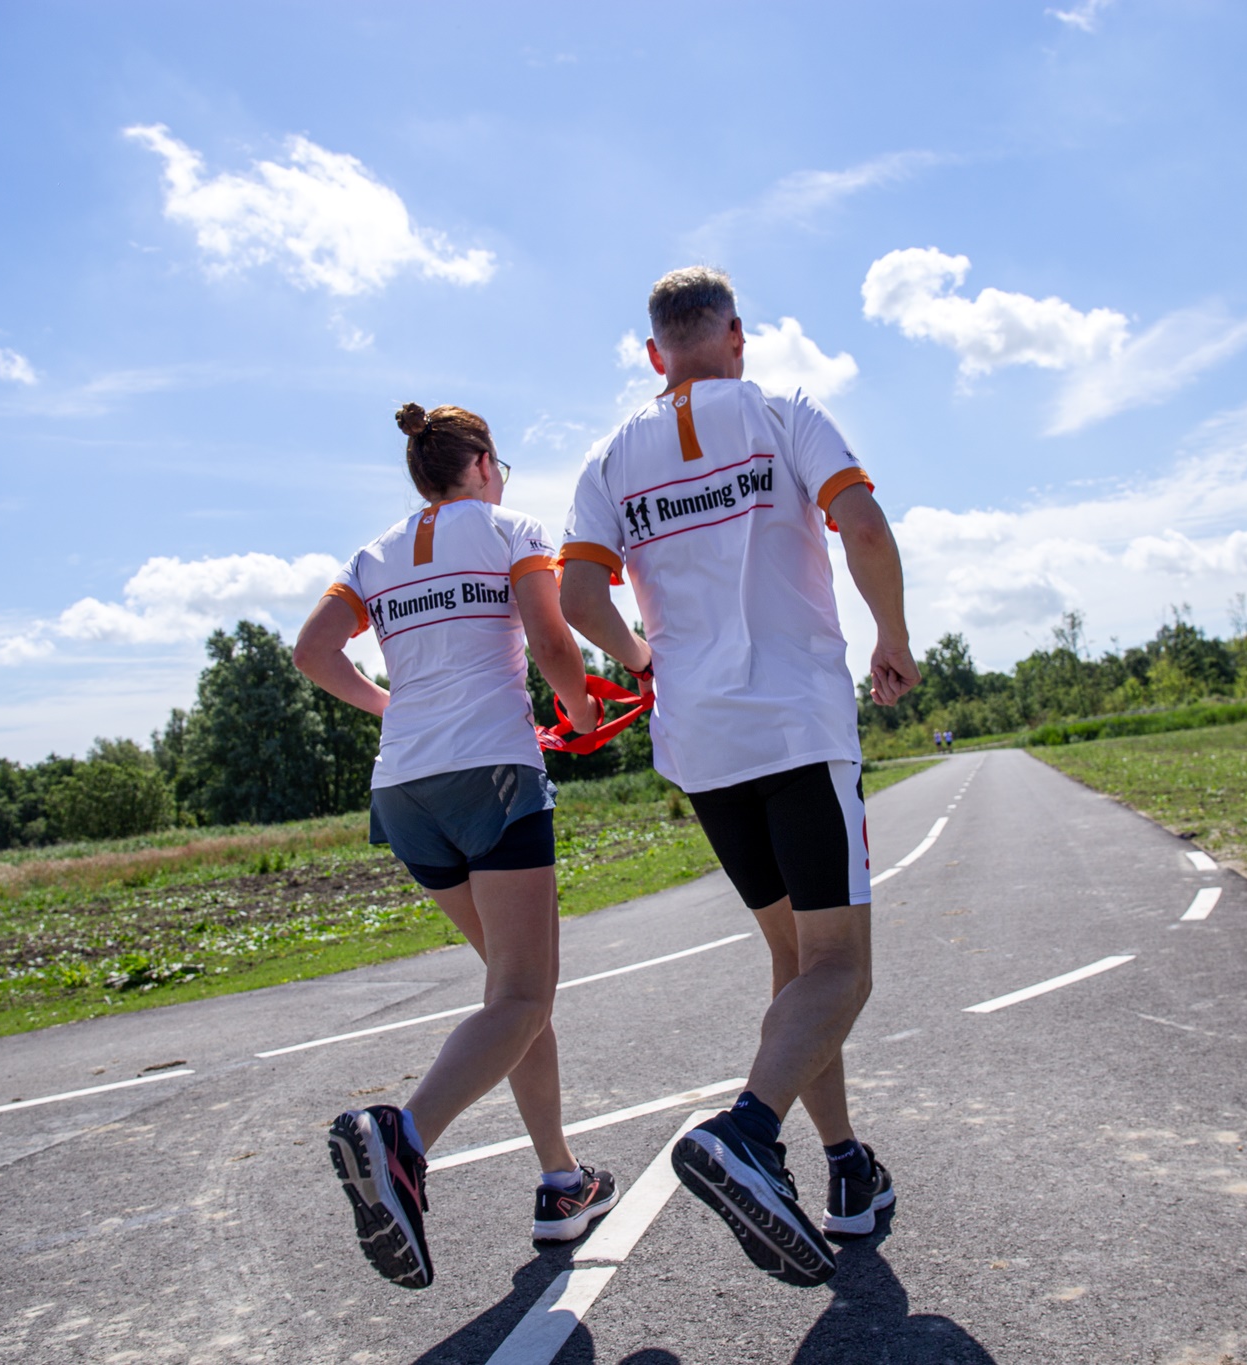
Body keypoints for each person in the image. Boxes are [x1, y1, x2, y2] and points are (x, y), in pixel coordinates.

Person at [560, 266, 919, 1287]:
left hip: (703, 749)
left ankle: (844, 1166)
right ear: (736, 336)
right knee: (840, 967)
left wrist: (641, 665)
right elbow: (860, 526)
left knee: (795, 968)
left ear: (653, 353)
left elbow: (581, 588)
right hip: (796, 725)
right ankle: (748, 1134)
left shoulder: (609, 457)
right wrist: (891, 635)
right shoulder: (782, 412)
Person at [294, 401, 647, 1289]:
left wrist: (389, 707)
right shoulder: (508, 527)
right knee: (523, 994)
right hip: (489, 771)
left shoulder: (374, 554)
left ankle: (561, 1181)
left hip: (405, 789)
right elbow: (551, 634)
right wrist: (576, 709)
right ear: (482, 463)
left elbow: (312, 650)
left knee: (512, 996)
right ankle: (402, 1139)